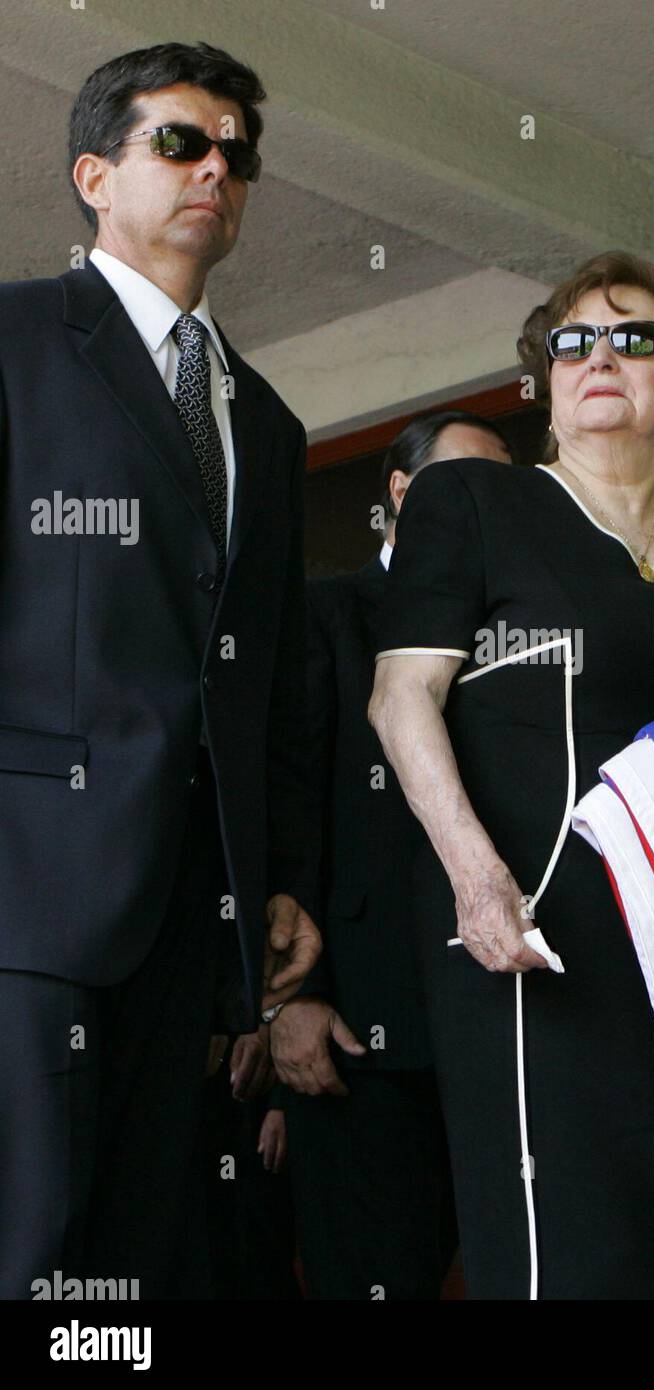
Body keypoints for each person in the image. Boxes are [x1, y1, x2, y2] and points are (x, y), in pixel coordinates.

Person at [368, 251, 654, 1300]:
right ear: (547, 384)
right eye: (572, 341)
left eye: (636, 336)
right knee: (561, 1249)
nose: (599, 356)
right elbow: (400, 698)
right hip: (532, 936)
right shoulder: (472, 502)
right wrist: (473, 874)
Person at [0, 42, 320, 1300]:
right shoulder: (16, 341)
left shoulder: (269, 420)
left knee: (129, 1269)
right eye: (180, 143)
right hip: (27, 890)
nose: (216, 170)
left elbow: (278, 683)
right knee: (26, 1244)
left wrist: (281, 873)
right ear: (94, 173)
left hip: (196, 912)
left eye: (236, 153)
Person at [272, 411, 511, 1299]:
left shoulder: (515, 628)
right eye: (466, 483)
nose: (490, 506)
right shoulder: (327, 610)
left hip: (496, 1018)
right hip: (354, 1033)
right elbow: (286, 806)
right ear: (402, 494)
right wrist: (289, 1001)